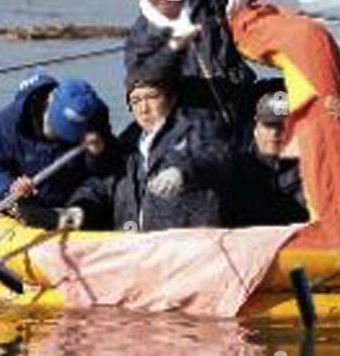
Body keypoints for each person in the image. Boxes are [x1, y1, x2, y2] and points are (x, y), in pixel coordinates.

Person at [64, 64, 236, 232]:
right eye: (135, 101)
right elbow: (101, 185)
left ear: (172, 98)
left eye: (152, 97)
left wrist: (182, 171)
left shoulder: (200, 130)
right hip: (136, 249)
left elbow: (215, 156)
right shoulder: (127, 146)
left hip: (185, 250)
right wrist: (81, 207)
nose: (144, 109)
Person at [124, 0, 276, 125]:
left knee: (293, 96)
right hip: (194, 121)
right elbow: (144, 78)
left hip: (242, 101)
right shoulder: (141, 35)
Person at [0, 73, 114, 208]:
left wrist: (98, 154)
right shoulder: (8, 122)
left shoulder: (95, 119)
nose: (57, 138)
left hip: (73, 204)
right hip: (20, 203)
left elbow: (109, 170)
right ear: (47, 106)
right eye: (56, 131)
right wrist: (9, 186)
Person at [228, 88, 308, 227]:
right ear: (256, 124)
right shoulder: (234, 166)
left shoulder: (308, 168)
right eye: (269, 125)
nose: (275, 133)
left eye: (282, 127)